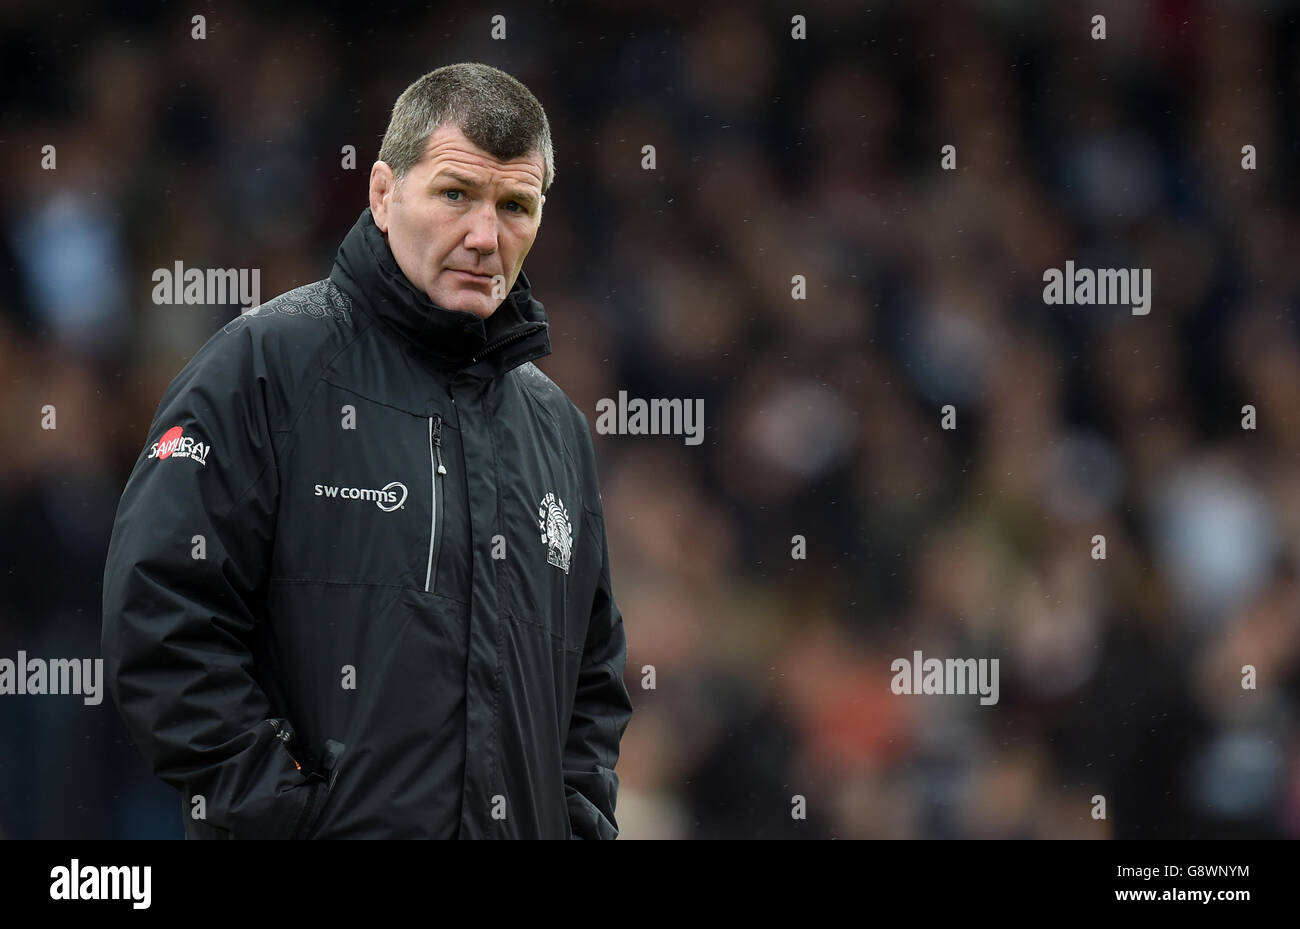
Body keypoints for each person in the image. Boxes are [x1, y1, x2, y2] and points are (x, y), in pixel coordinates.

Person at [101, 62, 633, 839]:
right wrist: (286, 815)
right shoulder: (263, 366)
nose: (485, 237)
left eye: (515, 205)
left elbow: (592, 680)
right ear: (383, 193)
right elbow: (159, 614)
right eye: (455, 194)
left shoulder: (556, 429)